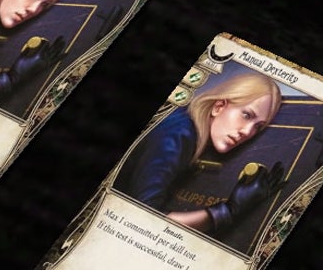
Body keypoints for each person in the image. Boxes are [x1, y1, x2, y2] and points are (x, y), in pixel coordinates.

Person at [116, 72, 286, 237]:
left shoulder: (187, 125)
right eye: (247, 115)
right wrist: (228, 211)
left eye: (258, 127)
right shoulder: (177, 135)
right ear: (219, 107)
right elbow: (141, 219)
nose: (248, 132)